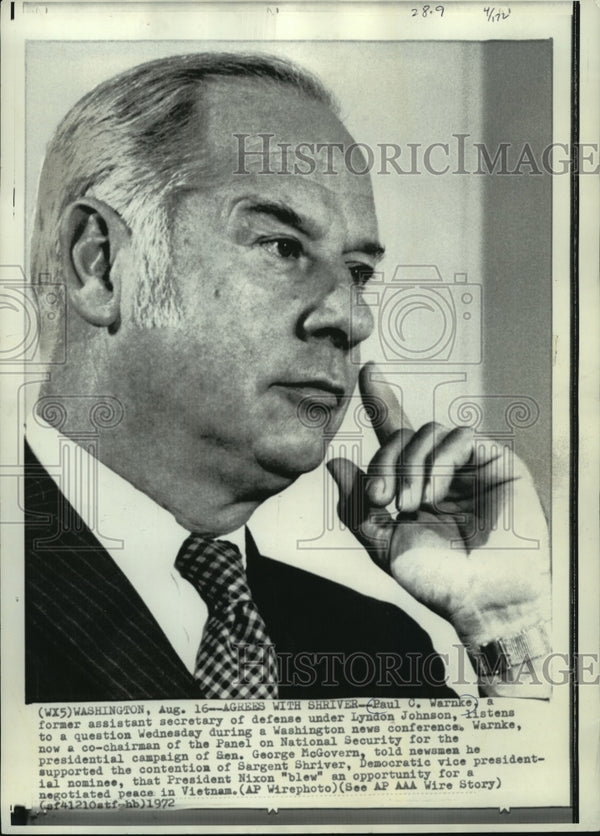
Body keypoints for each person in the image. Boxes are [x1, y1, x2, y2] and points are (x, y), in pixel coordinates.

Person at [25, 52, 551, 702]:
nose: (351, 317)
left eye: (358, 272)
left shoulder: (379, 652)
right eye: (283, 247)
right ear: (101, 266)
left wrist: (504, 624)